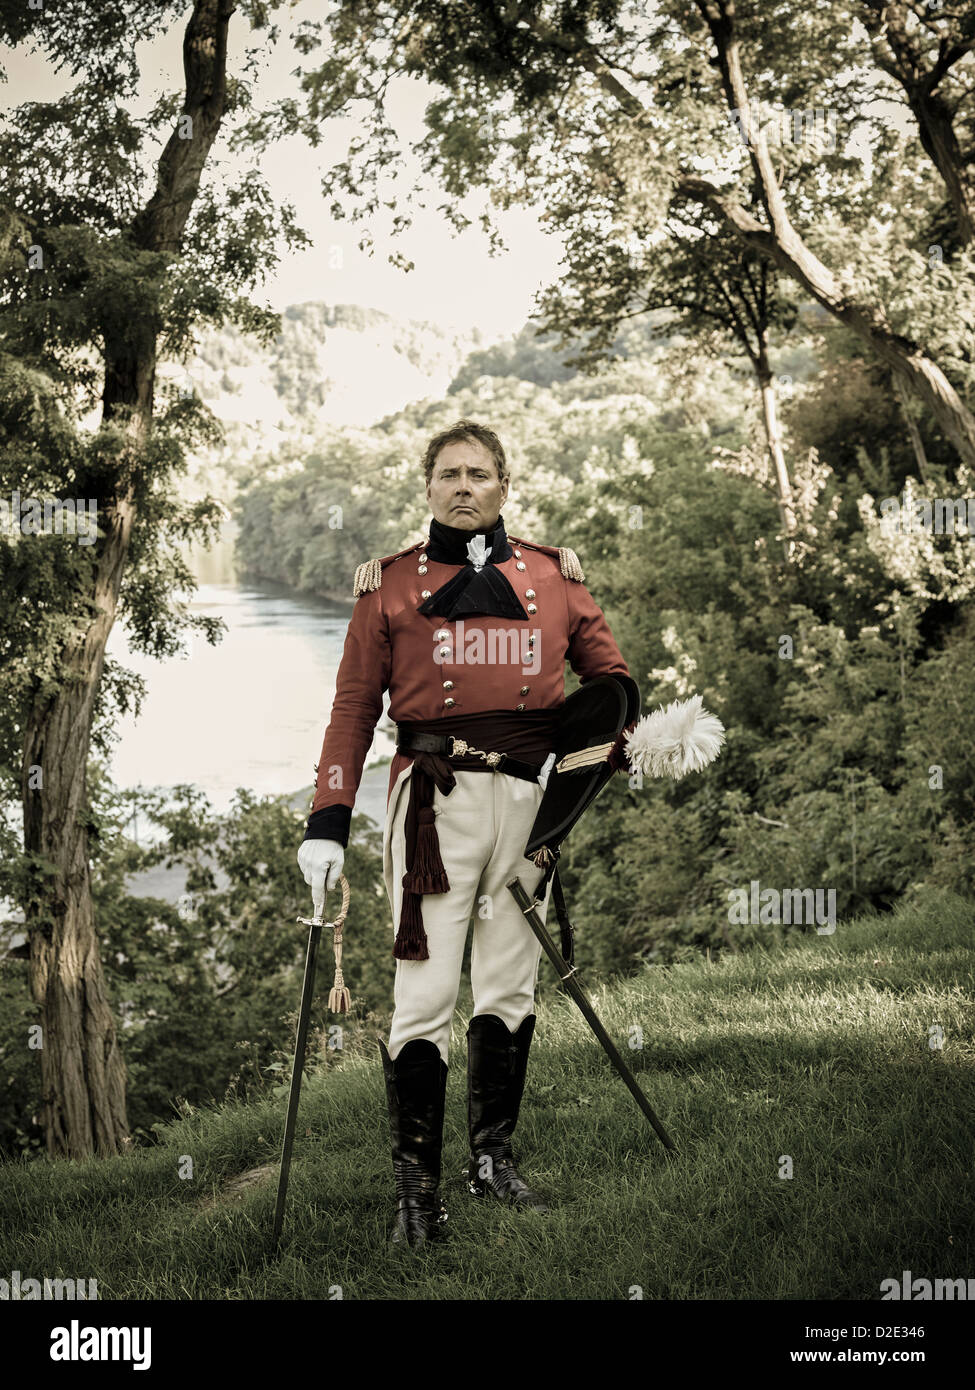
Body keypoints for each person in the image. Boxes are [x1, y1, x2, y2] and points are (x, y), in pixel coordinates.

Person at [297, 419, 633, 1248]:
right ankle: (417, 1195)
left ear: (503, 487)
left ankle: (492, 1159)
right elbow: (352, 706)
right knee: (423, 995)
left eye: (478, 474)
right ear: (427, 487)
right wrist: (327, 821)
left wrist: (596, 758)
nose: (462, 486)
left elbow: (610, 681)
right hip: (430, 810)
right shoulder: (389, 586)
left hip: (527, 804)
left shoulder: (553, 578)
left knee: (510, 985)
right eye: (448, 473)